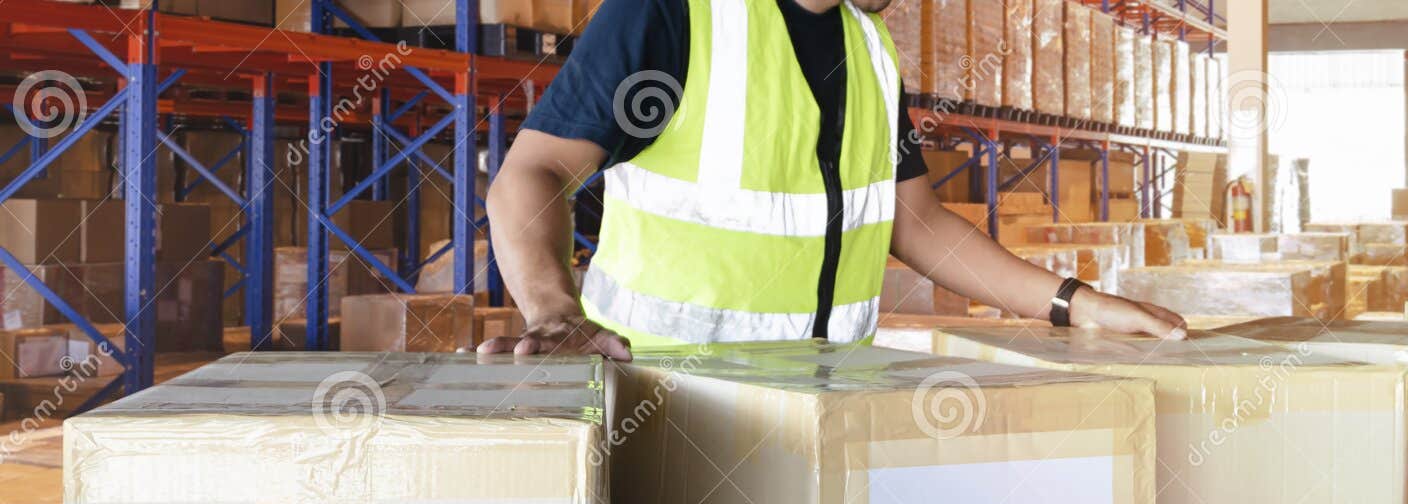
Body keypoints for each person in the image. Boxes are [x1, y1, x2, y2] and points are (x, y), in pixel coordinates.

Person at [481, 0, 1187, 359]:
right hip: (664, 413)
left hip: (820, 415)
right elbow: (531, 173)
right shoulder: (675, 15)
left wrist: (1076, 303)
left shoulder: (871, 49)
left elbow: (916, 222)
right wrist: (554, 312)